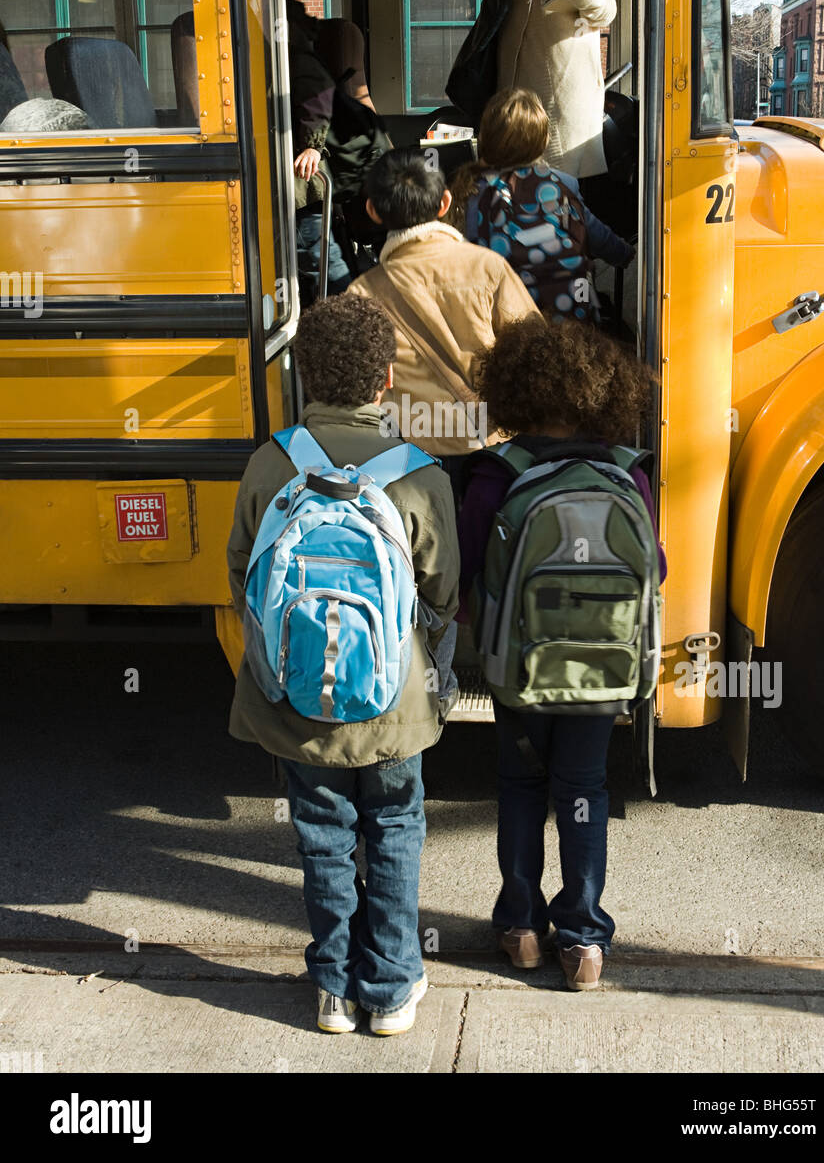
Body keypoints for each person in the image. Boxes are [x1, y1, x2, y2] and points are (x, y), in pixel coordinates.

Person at [227, 293, 460, 1035]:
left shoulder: (273, 463)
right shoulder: (419, 473)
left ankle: (332, 987)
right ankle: (391, 988)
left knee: (322, 833)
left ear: (304, 378)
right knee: (394, 824)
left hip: (298, 697)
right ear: (386, 380)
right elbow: (445, 593)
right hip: (393, 701)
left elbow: (242, 577)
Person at [458, 315, 666, 990]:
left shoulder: (498, 471)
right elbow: (653, 570)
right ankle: (582, 942)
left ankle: (520, 927)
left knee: (520, 787)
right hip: (602, 670)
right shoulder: (625, 473)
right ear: (604, 394)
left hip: (521, 668)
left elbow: (464, 564)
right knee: (584, 792)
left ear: (514, 389)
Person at [347, 147, 542, 492]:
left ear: (373, 211)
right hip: (488, 445)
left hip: (406, 457)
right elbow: (535, 350)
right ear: (445, 203)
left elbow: (357, 391)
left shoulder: (362, 292)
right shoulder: (488, 267)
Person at [443, 0, 616, 182]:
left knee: (557, 198)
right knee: (510, 197)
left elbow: (606, 13)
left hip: (561, 97)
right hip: (510, 96)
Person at [451, 87, 634, 323]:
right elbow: (595, 235)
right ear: (542, 139)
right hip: (571, 321)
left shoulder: (470, 191)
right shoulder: (562, 184)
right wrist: (625, 254)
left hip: (504, 321)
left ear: (486, 137)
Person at [286, 0, 388, 298]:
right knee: (322, 258)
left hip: (305, 184)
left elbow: (317, 97)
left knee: (321, 261)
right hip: (305, 184)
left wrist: (312, 147)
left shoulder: (294, 55)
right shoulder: (293, 49)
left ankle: (348, 316)